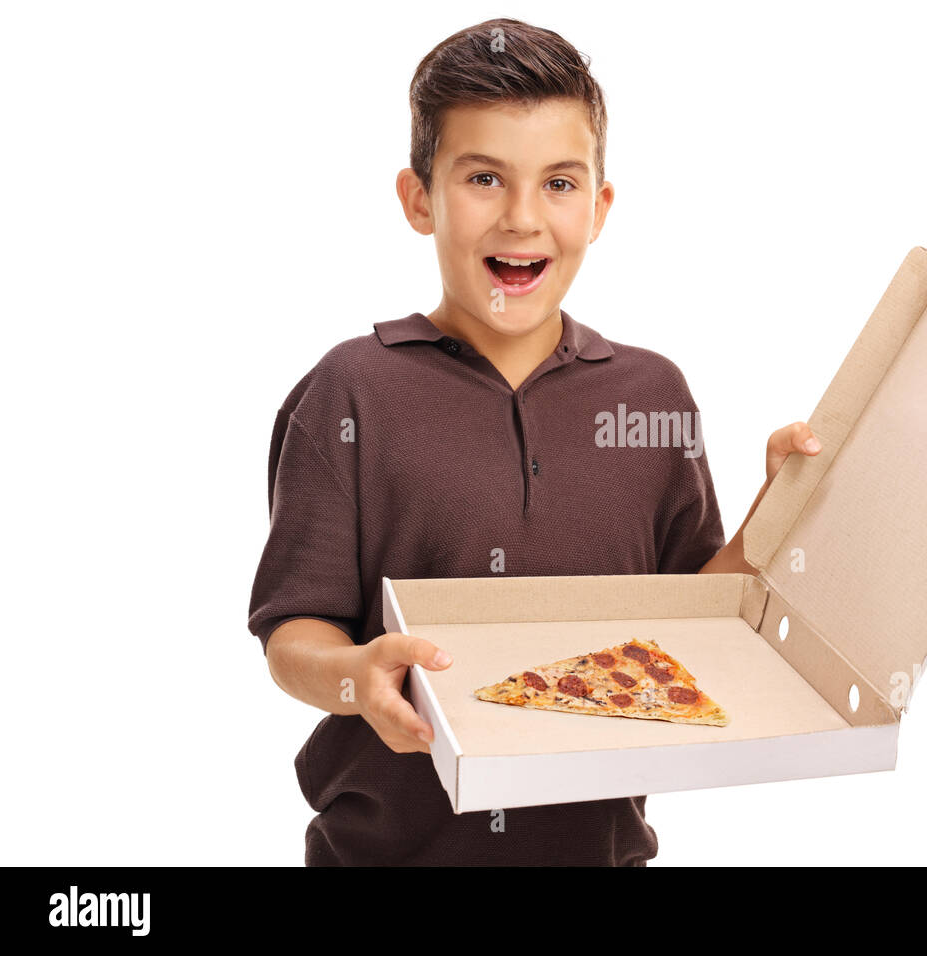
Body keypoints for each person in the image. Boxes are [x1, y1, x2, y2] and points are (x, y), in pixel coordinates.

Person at [247, 17, 821, 866]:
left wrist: (780, 520)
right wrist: (356, 675)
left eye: (559, 183)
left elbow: (698, 623)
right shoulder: (351, 391)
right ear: (418, 198)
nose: (522, 219)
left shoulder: (652, 395)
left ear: (600, 206)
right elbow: (293, 631)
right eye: (484, 177)